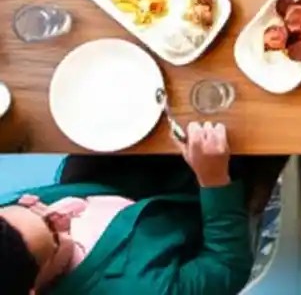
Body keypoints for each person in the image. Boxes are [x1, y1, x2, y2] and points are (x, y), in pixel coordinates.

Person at [0, 122, 259, 294]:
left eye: (30, 205)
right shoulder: (140, 288)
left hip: (122, 178)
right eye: (54, 233)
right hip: (202, 205)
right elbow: (226, 267)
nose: (65, 213)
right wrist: (214, 181)